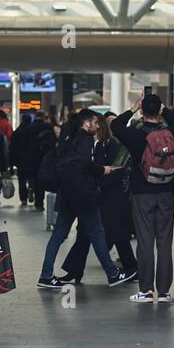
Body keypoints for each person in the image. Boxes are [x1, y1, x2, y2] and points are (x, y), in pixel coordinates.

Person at [37, 109, 134, 290]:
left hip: (67, 195)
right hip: (83, 196)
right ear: (87, 123)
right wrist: (102, 170)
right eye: (96, 123)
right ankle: (112, 273)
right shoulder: (85, 139)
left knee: (58, 235)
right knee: (97, 233)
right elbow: (84, 165)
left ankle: (46, 274)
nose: (98, 127)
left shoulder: (69, 137)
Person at [113, 94, 174, 303]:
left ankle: (146, 290)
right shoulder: (171, 133)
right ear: (160, 110)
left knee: (145, 242)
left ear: (143, 111)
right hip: (166, 193)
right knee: (164, 242)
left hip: (142, 192)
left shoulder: (135, 135)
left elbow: (116, 126)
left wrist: (132, 109)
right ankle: (164, 292)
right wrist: (166, 112)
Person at [27, 111, 58, 210]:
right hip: (45, 157)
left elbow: (26, 144)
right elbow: (53, 142)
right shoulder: (48, 127)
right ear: (44, 117)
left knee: (34, 177)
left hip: (32, 157)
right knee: (42, 179)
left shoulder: (30, 128)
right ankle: (39, 202)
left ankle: (31, 188)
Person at [9, 114, 36, 206]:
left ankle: (23, 198)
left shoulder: (17, 132)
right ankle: (32, 187)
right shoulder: (33, 131)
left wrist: (11, 164)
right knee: (32, 176)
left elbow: (12, 147)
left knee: (22, 179)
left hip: (20, 160)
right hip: (32, 159)